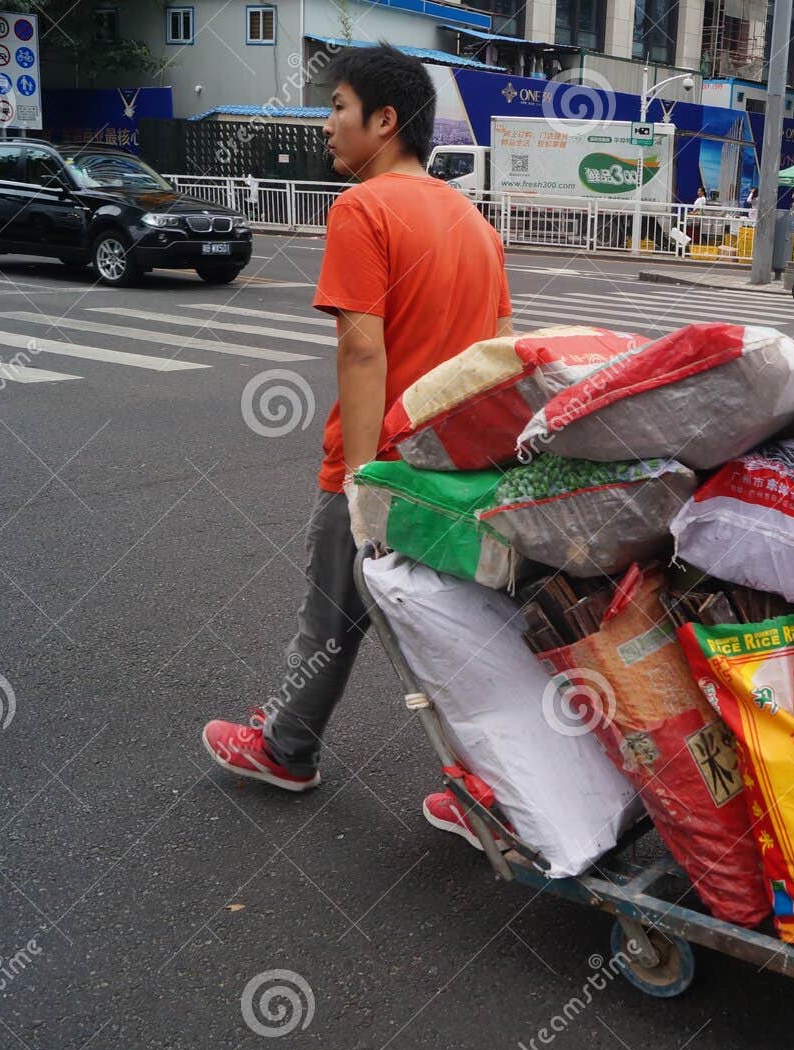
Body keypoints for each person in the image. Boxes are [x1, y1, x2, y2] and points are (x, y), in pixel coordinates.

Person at [201, 44, 512, 820]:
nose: (328, 124)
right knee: (459, 639)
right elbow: (501, 353)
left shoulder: (363, 209)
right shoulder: (476, 225)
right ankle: (497, 790)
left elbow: (361, 344)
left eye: (338, 107)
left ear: (384, 120)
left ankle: (286, 750)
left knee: (330, 619)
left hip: (383, 464)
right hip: (456, 470)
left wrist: (364, 480)